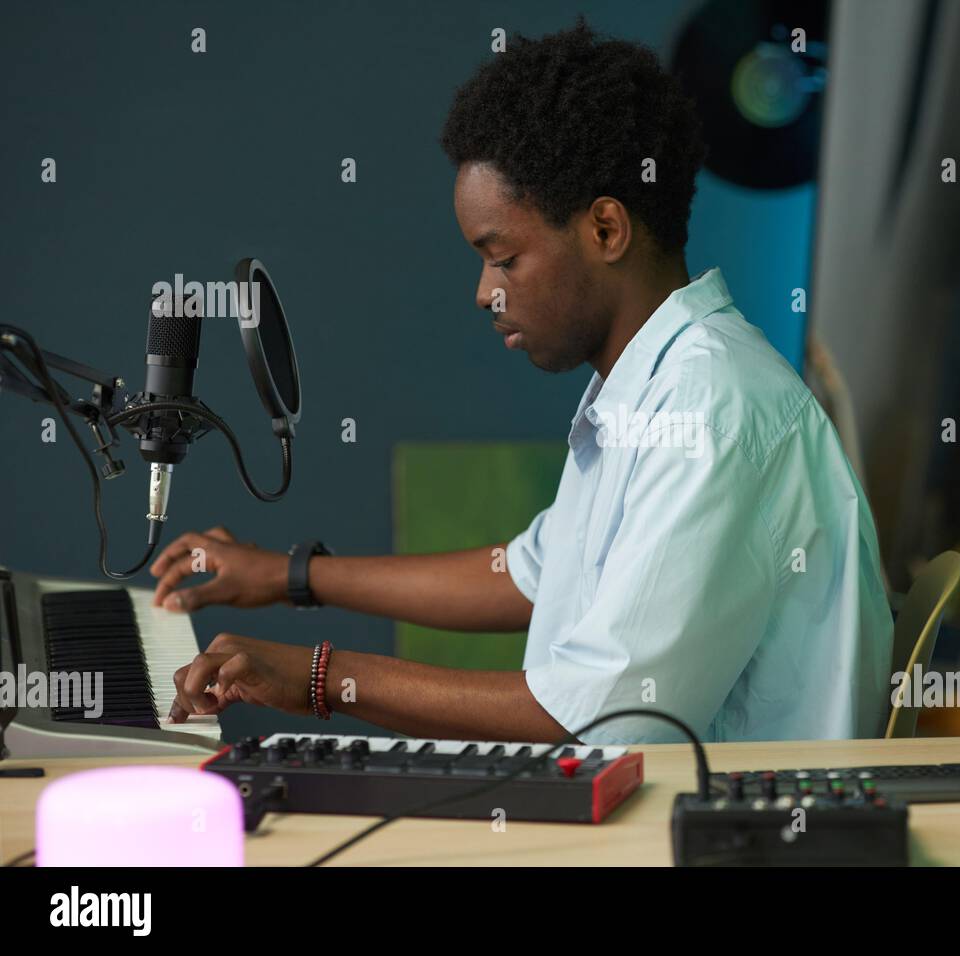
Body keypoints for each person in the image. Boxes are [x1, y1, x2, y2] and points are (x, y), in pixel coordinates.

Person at [159, 21, 893, 744]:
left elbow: (599, 718)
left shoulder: (708, 406)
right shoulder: (648, 383)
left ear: (606, 230)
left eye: (502, 258)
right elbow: (526, 575)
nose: (484, 292)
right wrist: (289, 575)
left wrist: (322, 678)